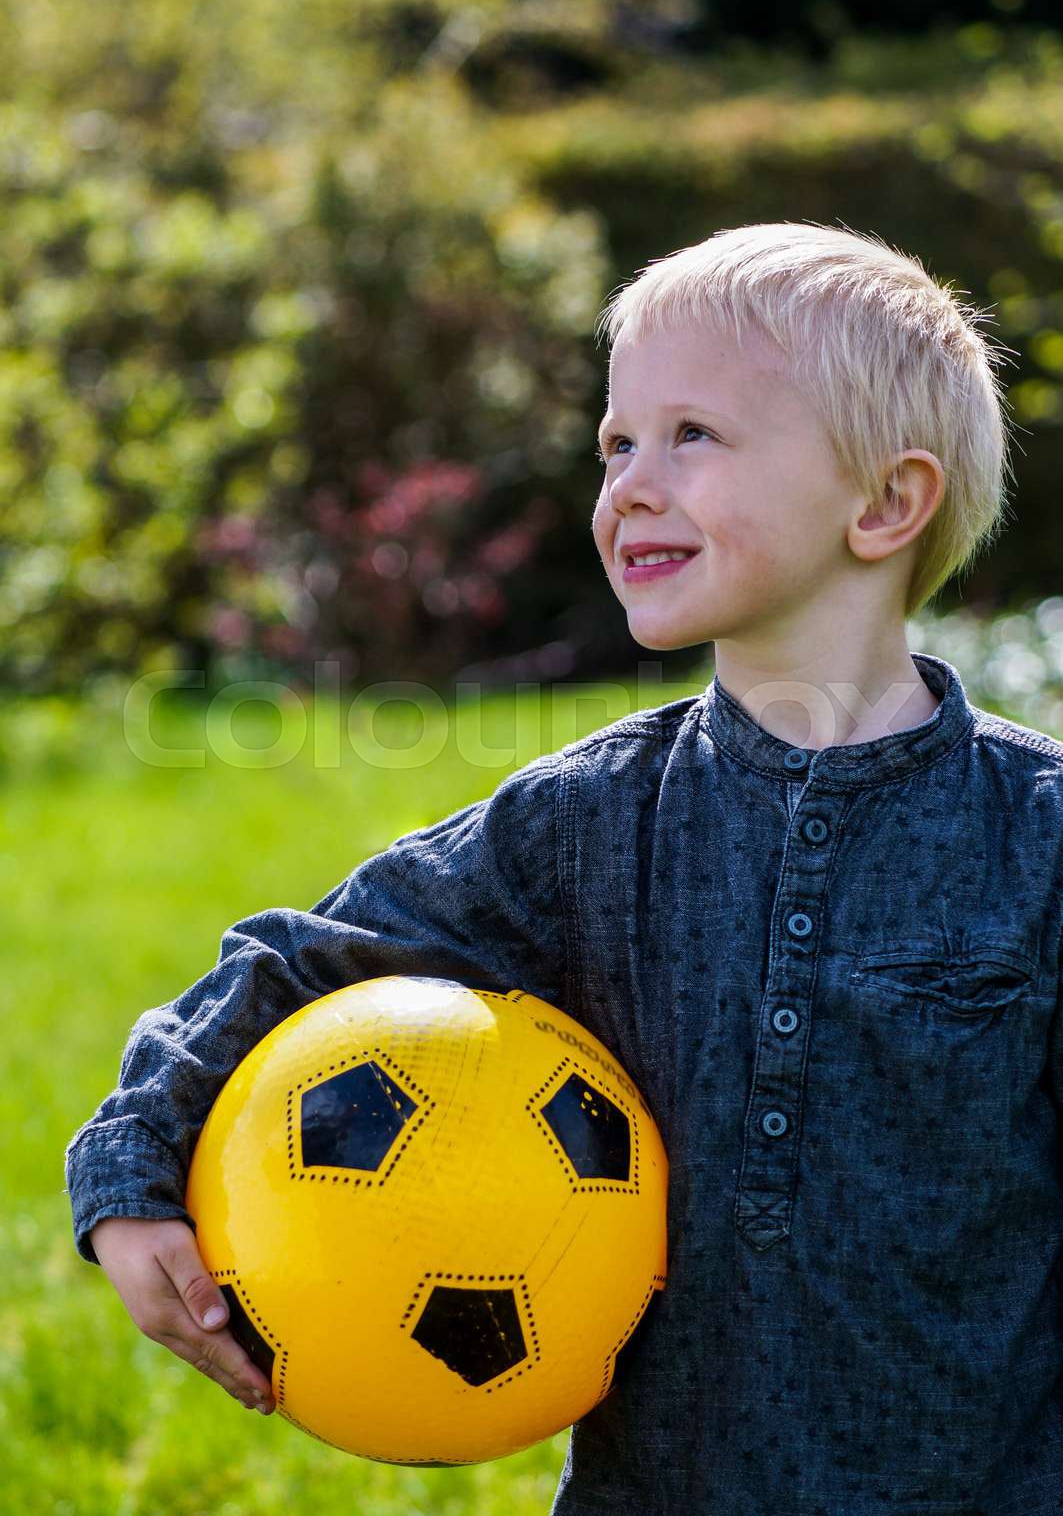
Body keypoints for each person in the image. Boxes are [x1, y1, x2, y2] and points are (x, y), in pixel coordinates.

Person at [65, 221, 1063, 1514]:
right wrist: (133, 1171)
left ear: (884, 502)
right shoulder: (588, 824)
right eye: (617, 443)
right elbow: (306, 960)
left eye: (692, 436)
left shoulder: (1036, 839)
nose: (631, 483)